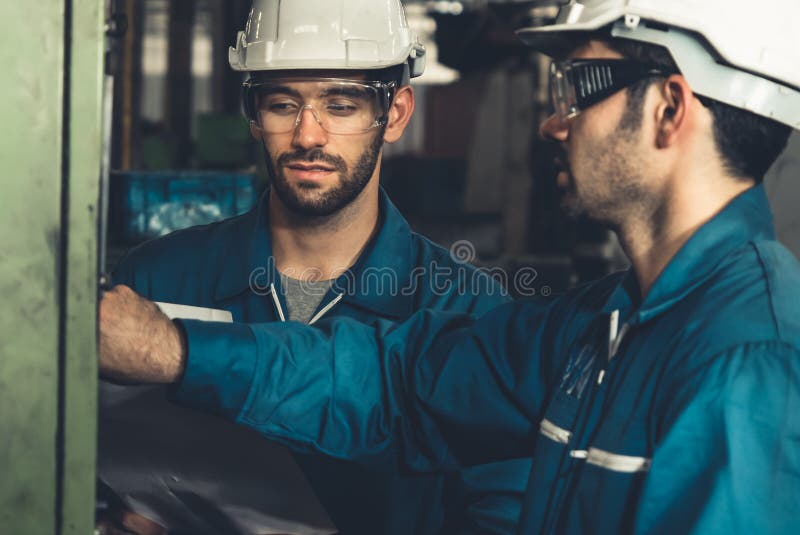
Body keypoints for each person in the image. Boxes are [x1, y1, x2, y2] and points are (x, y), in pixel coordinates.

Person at [101, 0, 800, 533]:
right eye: (284, 102)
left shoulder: (747, 361)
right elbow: (398, 382)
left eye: (582, 88)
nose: (556, 124)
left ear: (670, 107)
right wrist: (177, 349)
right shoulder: (595, 326)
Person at [98, 1, 531, 534]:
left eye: (341, 106)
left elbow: (506, 515)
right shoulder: (156, 281)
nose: (308, 135)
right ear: (253, 116)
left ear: (393, 114)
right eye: (283, 104)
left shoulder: (469, 312)